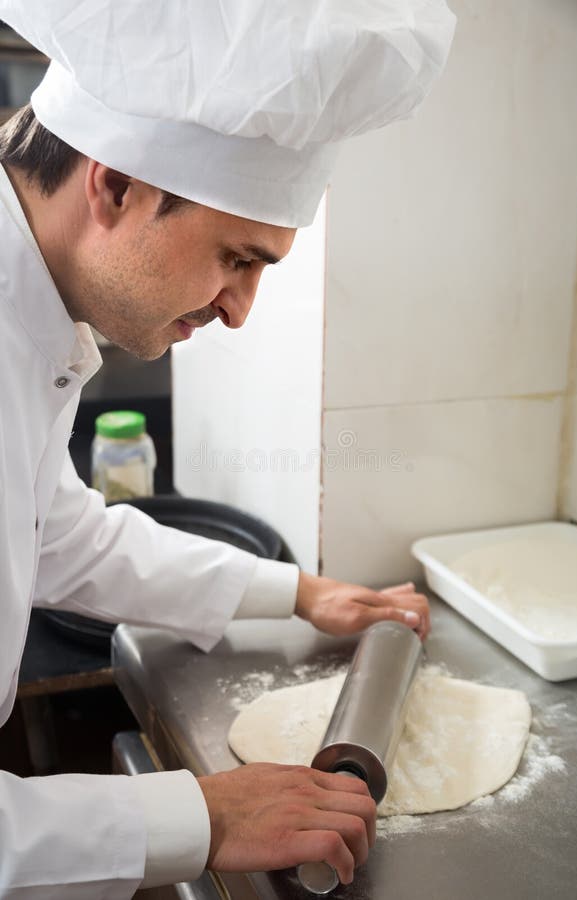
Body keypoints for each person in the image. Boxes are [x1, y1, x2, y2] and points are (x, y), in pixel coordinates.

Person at [0, 1, 456, 896]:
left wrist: (300, 593)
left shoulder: (34, 319)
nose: (240, 308)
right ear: (116, 184)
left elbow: (57, 535)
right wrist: (197, 816)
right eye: (237, 259)